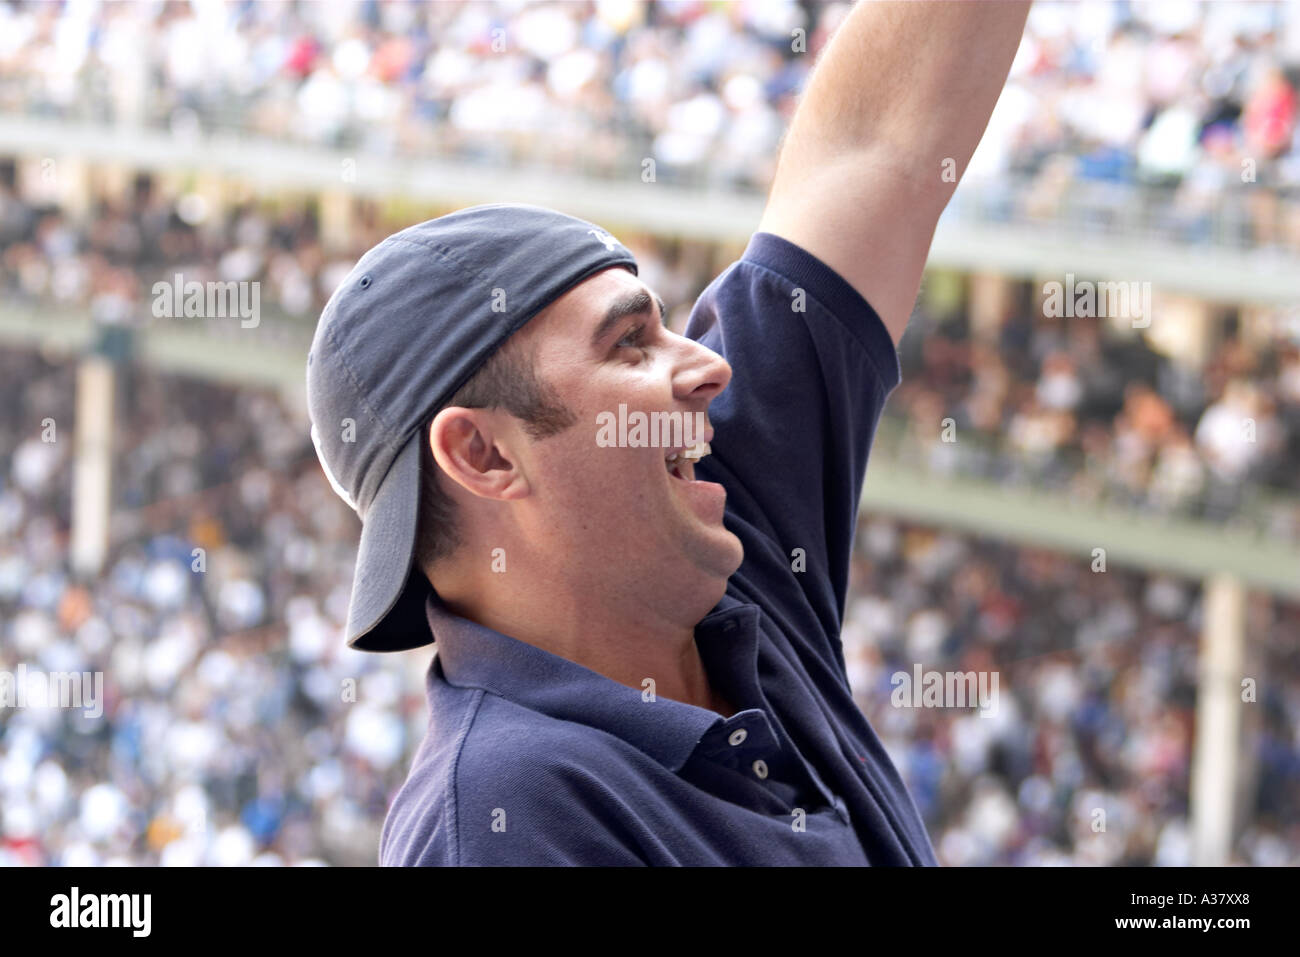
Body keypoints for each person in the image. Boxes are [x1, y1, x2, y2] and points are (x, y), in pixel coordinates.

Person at [306, 0, 1033, 865]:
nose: (708, 367)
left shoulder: (722, 530)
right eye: (630, 343)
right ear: (485, 452)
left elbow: (880, 146)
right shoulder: (503, 822)